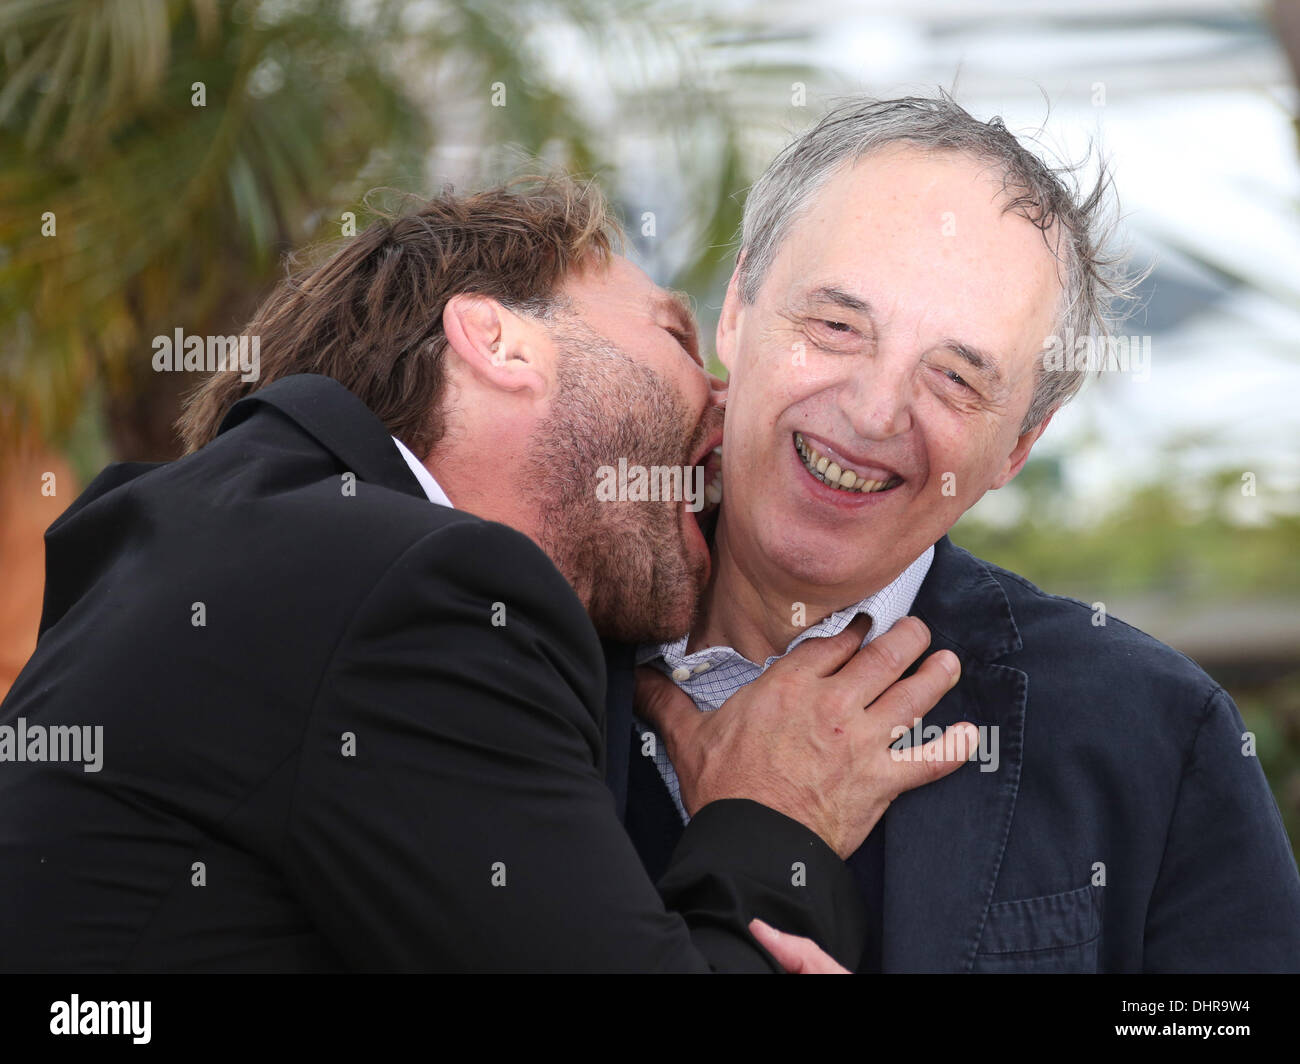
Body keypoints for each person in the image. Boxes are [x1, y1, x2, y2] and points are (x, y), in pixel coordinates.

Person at [0, 177, 970, 973]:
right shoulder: (410, 587)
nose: (725, 400)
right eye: (676, 338)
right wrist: (772, 815)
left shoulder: (232, 538)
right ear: (499, 342)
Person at [621, 96, 1300, 972]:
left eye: (954, 378)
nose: (871, 414)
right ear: (738, 311)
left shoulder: (1152, 731)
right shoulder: (520, 650)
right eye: (836, 327)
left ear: (1017, 447)